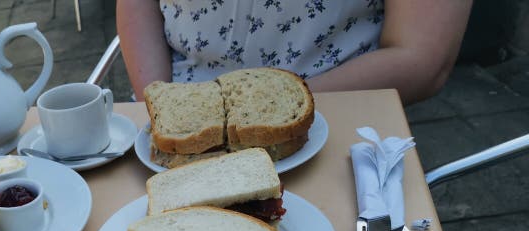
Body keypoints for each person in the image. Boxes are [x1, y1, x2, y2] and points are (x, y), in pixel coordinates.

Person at [116, 0, 473, 105]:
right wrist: (159, 102)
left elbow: (421, 58)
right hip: (178, 116)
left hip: (331, 118)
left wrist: (252, 112)